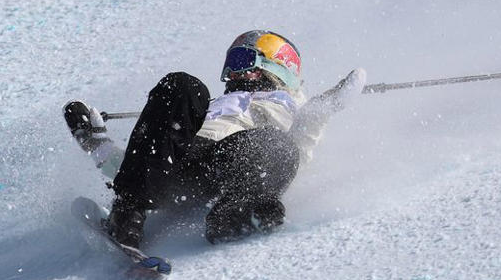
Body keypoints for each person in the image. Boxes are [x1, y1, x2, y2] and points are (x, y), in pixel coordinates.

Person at [64, 30, 365, 247]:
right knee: (184, 85)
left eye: (244, 59)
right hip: (178, 167)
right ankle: (127, 215)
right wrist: (95, 141)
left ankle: (233, 215)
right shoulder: (207, 105)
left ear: (277, 67)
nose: (235, 71)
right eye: (230, 62)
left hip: (233, 169)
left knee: (278, 145)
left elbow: (299, 150)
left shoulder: (291, 107)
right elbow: (146, 159)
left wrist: (323, 109)